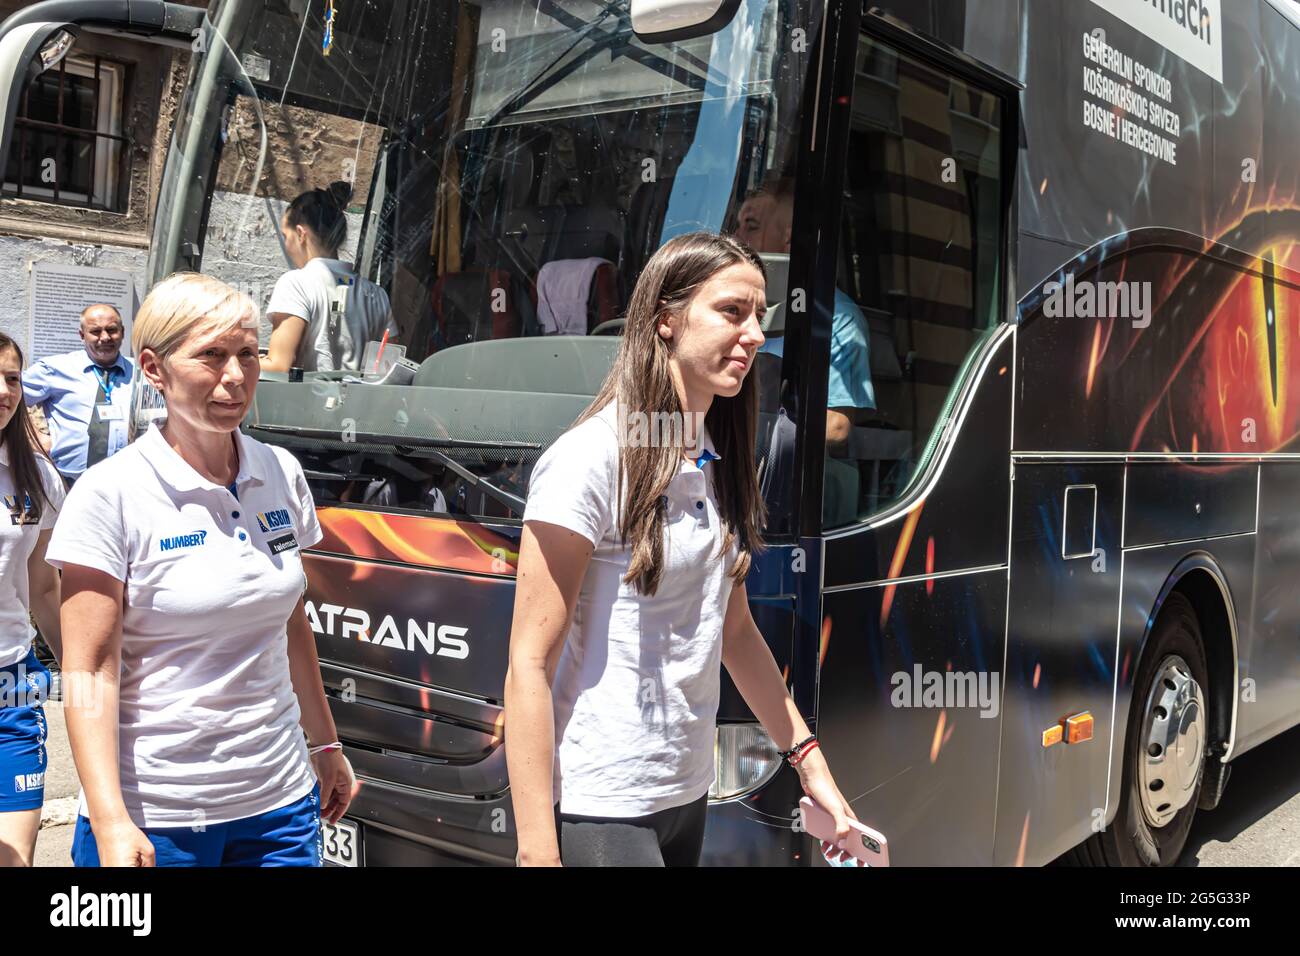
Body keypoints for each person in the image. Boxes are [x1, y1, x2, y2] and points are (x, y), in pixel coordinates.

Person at [505, 231, 860, 867]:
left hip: (685, 794)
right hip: (605, 803)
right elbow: (529, 663)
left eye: (760, 315)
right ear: (665, 319)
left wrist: (813, 768)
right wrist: (537, 852)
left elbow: (736, 633)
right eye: (732, 311)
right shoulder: (589, 458)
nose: (753, 333)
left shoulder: (716, 458)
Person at [46, 273, 356, 867]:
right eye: (211, 356)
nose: (235, 378)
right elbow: (88, 669)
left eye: (246, 353)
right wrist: (110, 817)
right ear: (154, 369)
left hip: (279, 807)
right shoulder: (111, 493)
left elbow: (291, 625)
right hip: (155, 816)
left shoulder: (281, 472)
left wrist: (325, 743)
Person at [734, 178, 876, 453]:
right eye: (737, 225)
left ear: (789, 238)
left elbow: (835, 426)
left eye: (751, 227)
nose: (736, 238)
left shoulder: (837, 317)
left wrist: (738, 425)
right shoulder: (724, 301)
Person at [0, 332, 64, 866]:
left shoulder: (37, 476)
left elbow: (44, 586)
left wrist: (85, 671)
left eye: (13, 379)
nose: (4, 390)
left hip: (12, 689)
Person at [261, 182, 397, 373]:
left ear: (301, 234)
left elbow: (279, 366)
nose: (286, 245)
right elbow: (387, 370)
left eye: (285, 236)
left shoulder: (296, 283)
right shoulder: (377, 295)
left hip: (305, 401)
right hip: (361, 402)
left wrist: (231, 360)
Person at [22, 304, 135, 485]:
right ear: (82, 335)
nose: (105, 337)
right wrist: (35, 436)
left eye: (112, 330)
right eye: (95, 331)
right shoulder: (55, 369)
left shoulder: (140, 372)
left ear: (122, 332)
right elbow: (10, 399)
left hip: (126, 483)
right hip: (69, 482)